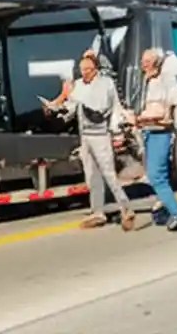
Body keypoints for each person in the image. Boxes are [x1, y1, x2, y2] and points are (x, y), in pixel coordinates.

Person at [48, 53, 136, 231]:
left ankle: (126, 208)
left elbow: (99, 106)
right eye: (82, 70)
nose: (84, 73)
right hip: (85, 135)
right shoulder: (79, 85)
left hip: (100, 134)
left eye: (88, 69)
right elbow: (71, 107)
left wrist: (71, 93)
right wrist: (55, 106)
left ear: (95, 68)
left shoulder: (105, 84)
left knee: (108, 174)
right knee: (91, 175)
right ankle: (97, 212)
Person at [136, 48, 177, 231]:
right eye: (143, 60)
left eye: (147, 60)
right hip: (149, 131)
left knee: (156, 176)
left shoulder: (165, 79)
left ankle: (176, 212)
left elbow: (170, 105)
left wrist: (149, 117)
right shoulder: (146, 81)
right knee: (159, 175)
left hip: (160, 131)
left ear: (156, 62)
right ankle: (163, 210)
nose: (143, 64)